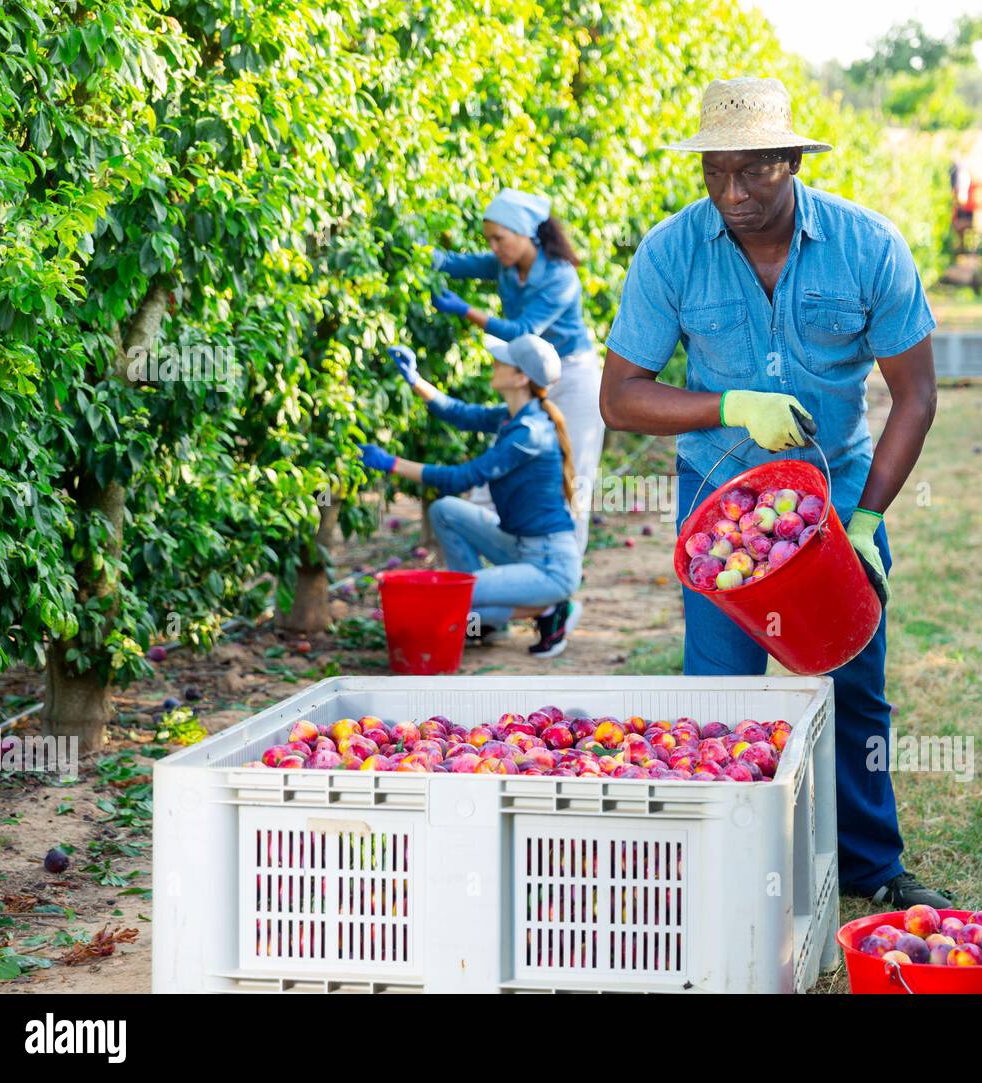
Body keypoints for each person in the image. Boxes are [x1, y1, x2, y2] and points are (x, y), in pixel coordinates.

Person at [599, 77, 950, 909]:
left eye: (753, 172)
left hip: (838, 491)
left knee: (849, 675)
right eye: (716, 174)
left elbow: (917, 395)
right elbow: (620, 397)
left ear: (791, 161)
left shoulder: (867, 248)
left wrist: (864, 521)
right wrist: (728, 406)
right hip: (723, 491)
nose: (733, 194)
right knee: (720, 688)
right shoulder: (672, 251)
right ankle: (715, 865)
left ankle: (871, 863)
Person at [359, 335, 583, 659]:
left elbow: (461, 477)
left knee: (452, 603)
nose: (494, 363)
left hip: (550, 565)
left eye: (502, 361)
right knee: (444, 511)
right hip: (521, 546)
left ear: (521, 377)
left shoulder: (529, 433)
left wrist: (390, 463)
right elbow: (461, 414)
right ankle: (479, 604)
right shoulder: (514, 415)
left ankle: (551, 608)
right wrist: (416, 380)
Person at [430, 187, 605, 557]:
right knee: (502, 466)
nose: (494, 247)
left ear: (525, 232)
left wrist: (467, 311)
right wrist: (417, 257)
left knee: (572, 479)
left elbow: (525, 330)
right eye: (488, 240)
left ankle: (563, 581)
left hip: (573, 379)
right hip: (532, 376)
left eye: (499, 238)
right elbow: (452, 263)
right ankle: (512, 571)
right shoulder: (504, 266)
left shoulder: (560, 276)